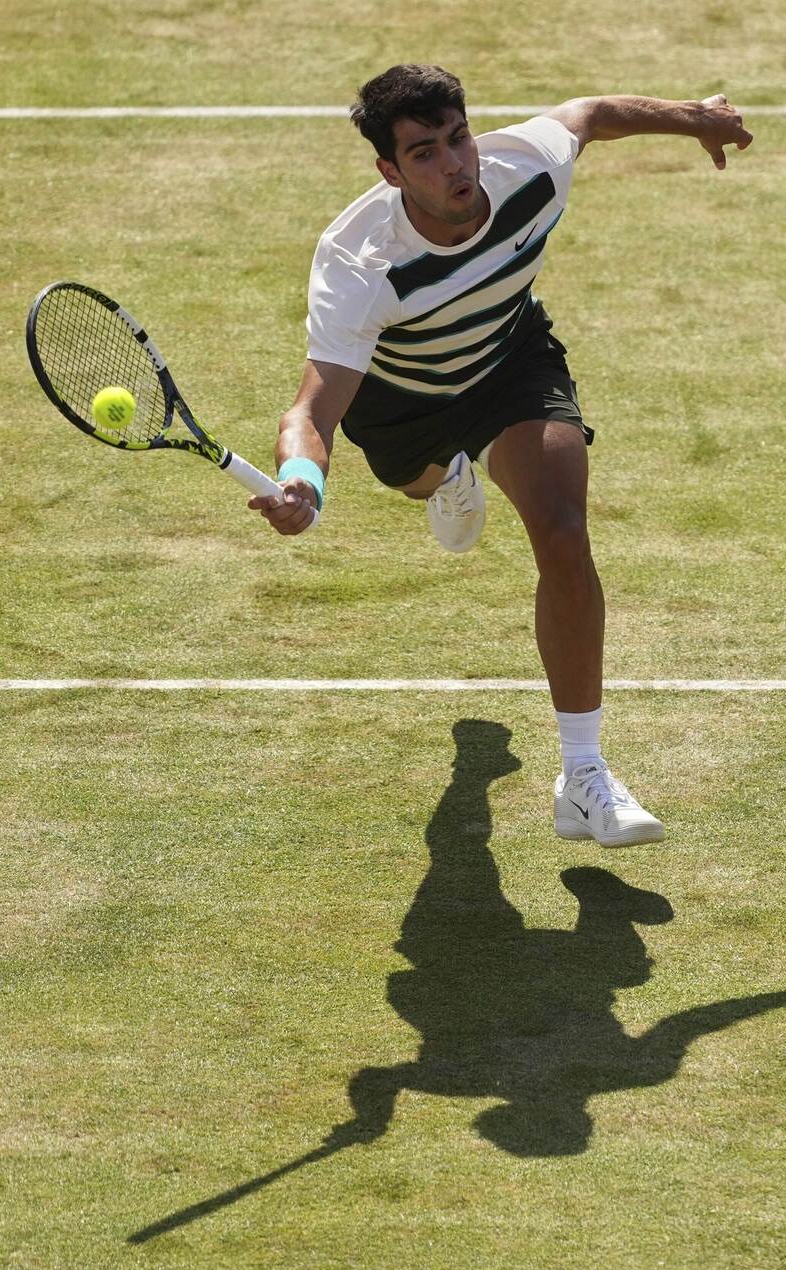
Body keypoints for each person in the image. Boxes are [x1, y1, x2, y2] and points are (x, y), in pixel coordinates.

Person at [250, 64, 752, 848]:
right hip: (402, 399)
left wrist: (696, 118)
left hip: (507, 359)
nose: (454, 164)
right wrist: (301, 478)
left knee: (561, 527)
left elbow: (590, 113)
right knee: (420, 482)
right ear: (389, 171)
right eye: (424, 154)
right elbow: (312, 409)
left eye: (459, 138)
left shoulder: (529, 171)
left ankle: (583, 776)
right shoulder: (360, 264)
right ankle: (448, 475)